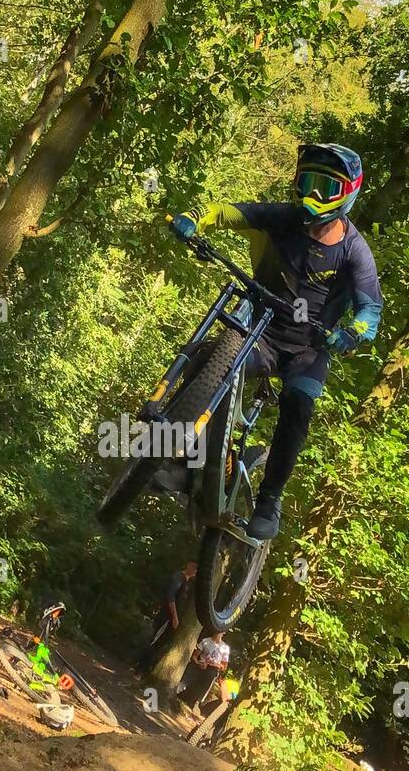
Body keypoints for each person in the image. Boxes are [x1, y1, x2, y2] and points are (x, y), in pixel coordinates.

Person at [170, 142, 383, 539]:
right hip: (261, 332)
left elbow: (370, 310)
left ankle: (269, 499)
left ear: (348, 194)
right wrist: (193, 218)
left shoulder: (356, 251)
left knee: (298, 409)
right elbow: (226, 212)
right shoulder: (282, 217)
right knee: (208, 358)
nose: (312, 196)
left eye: (326, 188)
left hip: (308, 350)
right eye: (307, 182)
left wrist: (353, 332)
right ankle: (184, 457)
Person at [138, 560, 197, 669]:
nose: (194, 570)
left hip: (174, 620)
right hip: (167, 617)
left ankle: (145, 668)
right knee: (154, 641)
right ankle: (140, 668)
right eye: (193, 567)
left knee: (160, 644)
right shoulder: (178, 577)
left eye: (196, 569)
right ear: (188, 565)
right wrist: (174, 617)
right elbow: (171, 597)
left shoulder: (188, 583)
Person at [177, 629, 230, 712]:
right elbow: (195, 656)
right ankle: (182, 689)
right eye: (217, 631)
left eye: (221, 632)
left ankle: (197, 700)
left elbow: (224, 666)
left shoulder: (225, 648)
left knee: (210, 675)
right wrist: (198, 662)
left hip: (213, 668)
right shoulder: (205, 641)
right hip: (200, 664)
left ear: (223, 633)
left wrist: (212, 664)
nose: (218, 633)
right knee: (193, 669)